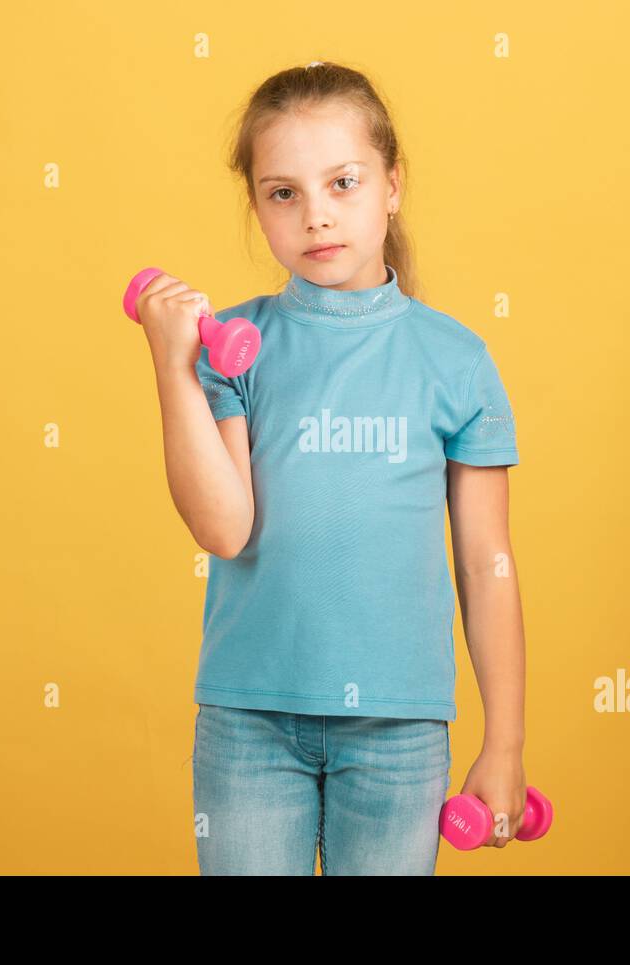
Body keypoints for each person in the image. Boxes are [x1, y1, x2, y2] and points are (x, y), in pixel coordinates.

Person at [136, 61, 528, 874]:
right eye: (284, 193)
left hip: (398, 730)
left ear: (392, 185)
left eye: (343, 183)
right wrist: (174, 369)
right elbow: (224, 527)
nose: (316, 216)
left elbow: (487, 567)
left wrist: (505, 742)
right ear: (257, 205)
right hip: (251, 720)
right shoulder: (229, 350)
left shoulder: (454, 359)